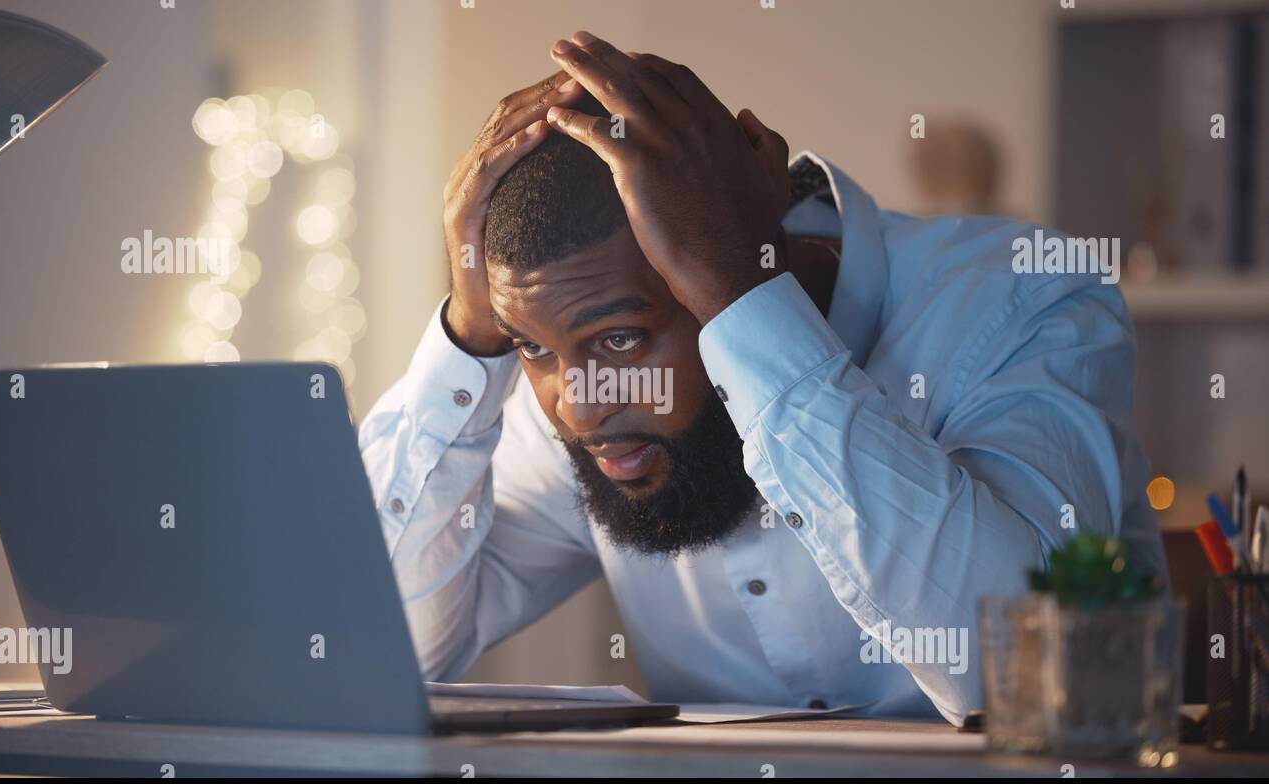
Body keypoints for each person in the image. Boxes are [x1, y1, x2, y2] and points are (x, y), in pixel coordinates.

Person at [359, 31, 1165, 723]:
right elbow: (379, 656)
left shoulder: (1022, 302)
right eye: (529, 346)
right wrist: (469, 340)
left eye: (622, 339)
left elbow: (1029, 678)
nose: (577, 407)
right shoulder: (588, 400)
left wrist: (747, 299)